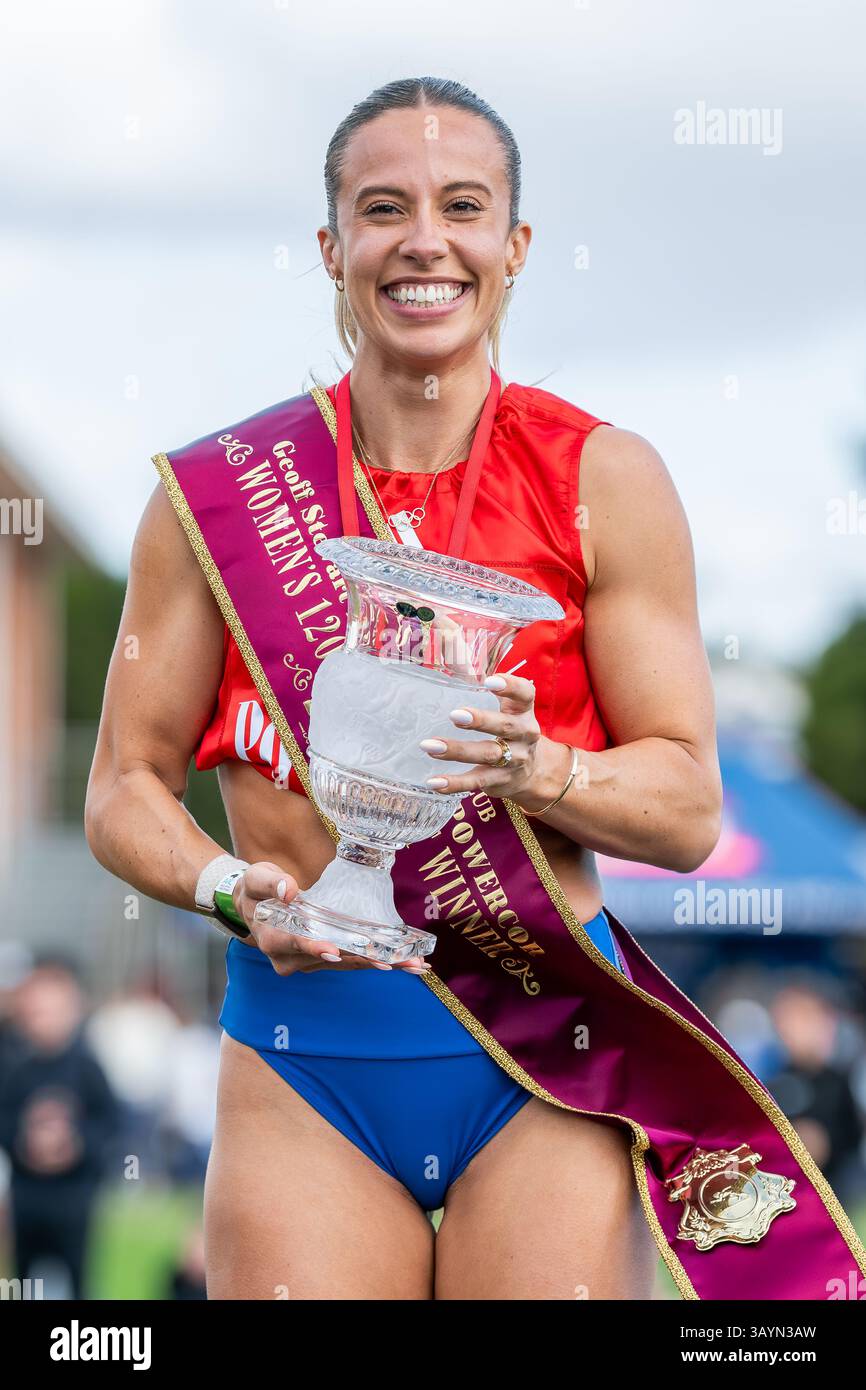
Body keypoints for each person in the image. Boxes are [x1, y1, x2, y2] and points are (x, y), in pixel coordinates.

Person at [85, 78, 863, 1301]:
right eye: (383, 208)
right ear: (333, 246)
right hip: (304, 1053)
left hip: (544, 1048)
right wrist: (229, 888)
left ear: (514, 244)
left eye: (462, 206)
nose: (424, 241)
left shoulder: (605, 475)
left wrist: (534, 767)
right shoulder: (212, 500)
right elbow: (122, 788)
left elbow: (686, 805)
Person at [0, 958, 119, 1299]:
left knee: (77, 1272)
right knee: (24, 1276)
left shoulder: (87, 1068)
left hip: (74, 1194)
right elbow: (5, 1121)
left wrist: (75, 1145)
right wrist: (25, 1143)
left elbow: (108, 1123)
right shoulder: (16, 1070)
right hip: (28, 1192)